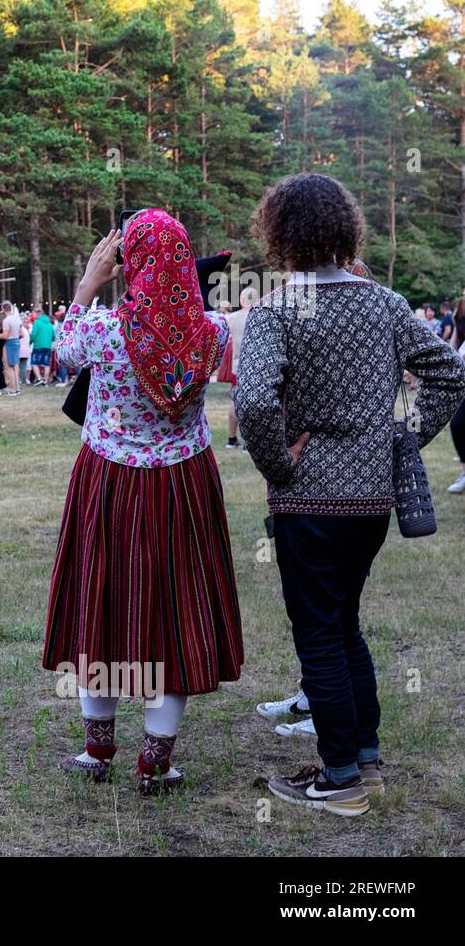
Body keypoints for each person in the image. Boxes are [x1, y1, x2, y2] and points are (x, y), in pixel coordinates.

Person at [234, 172, 465, 817]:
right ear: (346, 230)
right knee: (344, 625)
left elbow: (252, 401)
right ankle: (364, 758)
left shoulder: (277, 309)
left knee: (319, 635)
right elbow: (451, 372)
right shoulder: (387, 304)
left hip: (308, 498)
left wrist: (278, 465)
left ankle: (339, 781)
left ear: (279, 233)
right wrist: (402, 440)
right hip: (371, 498)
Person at [43, 211, 242, 795]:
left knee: (101, 604)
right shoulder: (213, 332)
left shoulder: (102, 330)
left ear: (130, 263)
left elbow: (64, 357)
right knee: (173, 613)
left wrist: (88, 282)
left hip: (108, 481)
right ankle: (155, 763)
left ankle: (97, 749)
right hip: (183, 482)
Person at [223, 288, 257, 450]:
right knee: (252, 404)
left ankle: (231, 439)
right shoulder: (258, 317)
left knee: (234, 403)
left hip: (237, 366)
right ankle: (247, 442)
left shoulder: (231, 318)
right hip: (255, 366)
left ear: (242, 300)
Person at [0, 302, 21, 394]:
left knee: (8, 367)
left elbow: (5, 336)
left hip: (9, 343)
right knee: (16, 366)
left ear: (4, 309)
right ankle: (17, 388)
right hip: (16, 342)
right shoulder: (17, 319)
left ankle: (12, 388)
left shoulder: (6, 320)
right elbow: (22, 334)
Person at [30, 305, 55, 386]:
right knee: (46, 364)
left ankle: (39, 379)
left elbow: (33, 334)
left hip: (38, 346)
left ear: (38, 314)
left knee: (34, 363)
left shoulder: (36, 323)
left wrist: (30, 341)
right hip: (47, 346)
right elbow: (54, 336)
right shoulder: (50, 324)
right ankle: (46, 381)